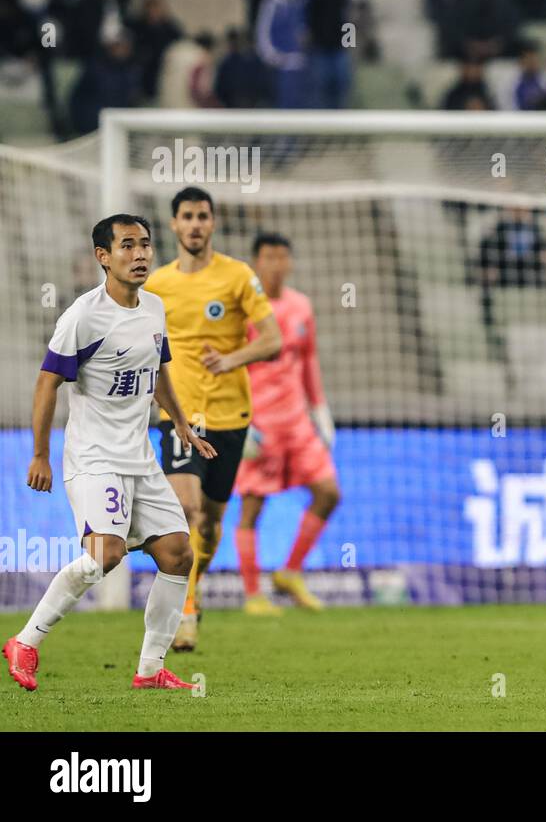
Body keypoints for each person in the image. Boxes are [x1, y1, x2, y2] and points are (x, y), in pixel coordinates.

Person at [5, 215, 214, 692]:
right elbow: (47, 382)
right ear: (103, 256)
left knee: (179, 554)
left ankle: (149, 671)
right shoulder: (83, 316)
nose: (140, 254)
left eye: (144, 245)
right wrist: (40, 454)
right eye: (127, 246)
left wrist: (180, 422)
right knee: (106, 554)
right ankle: (26, 641)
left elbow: (158, 370)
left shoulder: (154, 308)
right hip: (94, 458)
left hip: (139, 457)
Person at [142, 187, 282, 650]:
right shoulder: (157, 284)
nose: (196, 224)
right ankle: (184, 613)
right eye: (187, 216)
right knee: (185, 509)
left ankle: (194, 586)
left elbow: (272, 339)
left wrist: (232, 358)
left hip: (230, 414)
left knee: (211, 519)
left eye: (203, 216)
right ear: (174, 225)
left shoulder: (238, 276)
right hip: (181, 415)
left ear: (213, 223)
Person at [234, 234, 339, 614]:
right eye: (269, 257)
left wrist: (320, 410)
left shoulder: (301, 306)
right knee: (252, 507)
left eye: (282, 256)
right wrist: (239, 421)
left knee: (328, 492)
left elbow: (308, 361)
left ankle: (291, 571)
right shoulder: (244, 309)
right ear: (256, 263)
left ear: (290, 262)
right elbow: (234, 367)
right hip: (259, 422)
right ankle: (252, 594)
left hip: (297, 421)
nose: (276, 264)